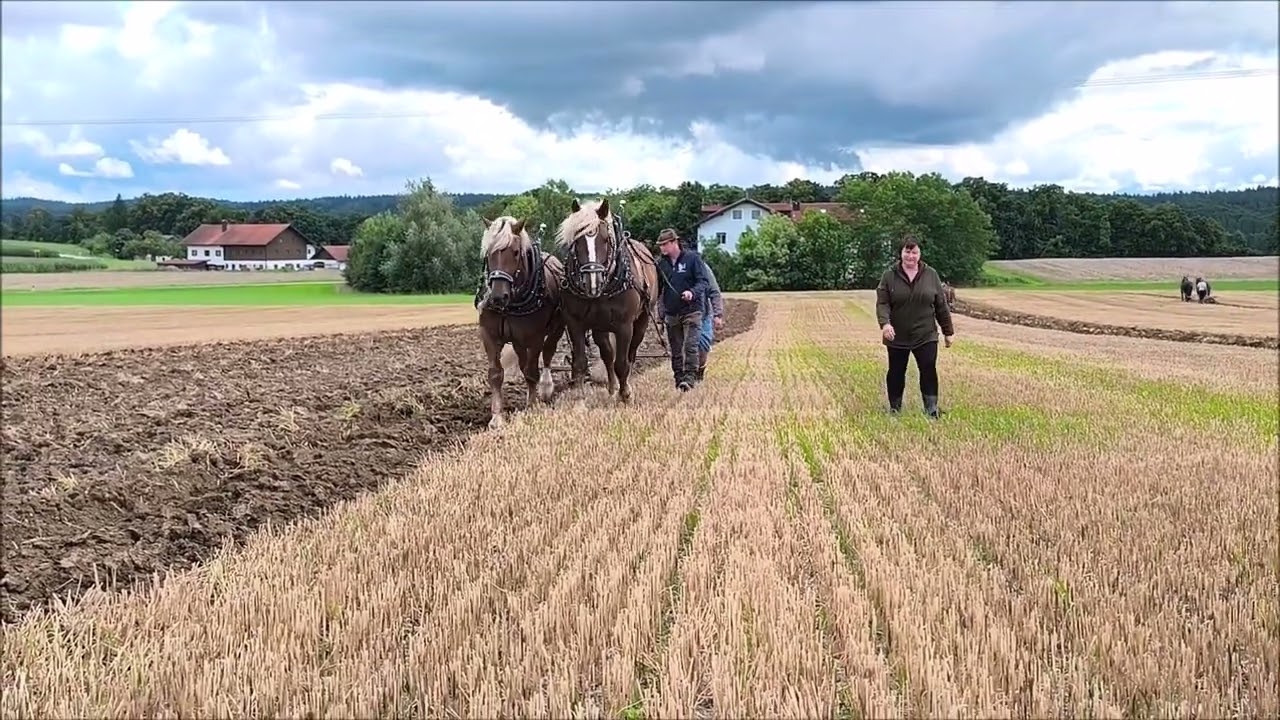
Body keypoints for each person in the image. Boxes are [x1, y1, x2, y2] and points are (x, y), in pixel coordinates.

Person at [875, 236, 955, 418]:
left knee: (928, 369)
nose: (911, 256)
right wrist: (885, 324)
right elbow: (883, 303)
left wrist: (948, 332)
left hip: (925, 333)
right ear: (901, 253)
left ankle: (931, 409)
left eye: (914, 252)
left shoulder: (931, 275)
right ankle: (895, 409)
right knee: (896, 372)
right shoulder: (889, 275)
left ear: (920, 254)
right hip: (897, 334)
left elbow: (941, 305)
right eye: (907, 251)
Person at [655, 228, 710, 391]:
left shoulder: (692, 259)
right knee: (676, 348)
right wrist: (659, 313)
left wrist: (692, 293)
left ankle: (690, 377)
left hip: (692, 310)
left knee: (690, 345)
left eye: (664, 244)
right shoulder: (661, 264)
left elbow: (703, 282)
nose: (662, 248)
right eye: (660, 245)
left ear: (674, 243)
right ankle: (679, 377)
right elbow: (658, 289)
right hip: (672, 312)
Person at [696, 256, 726, 382]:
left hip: (702, 314)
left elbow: (714, 291)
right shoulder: (672, 268)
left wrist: (717, 314)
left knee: (703, 345)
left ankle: (700, 369)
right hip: (680, 315)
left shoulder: (703, 269)